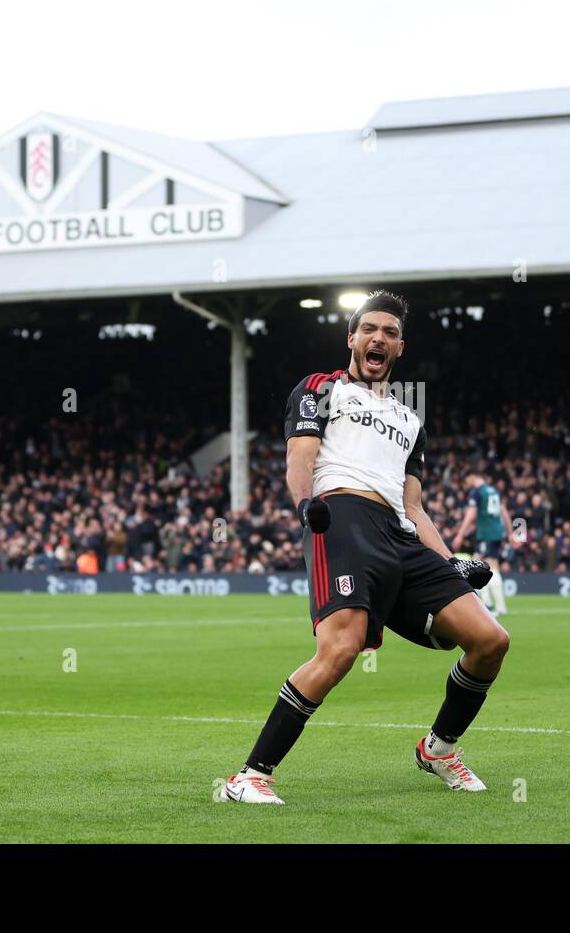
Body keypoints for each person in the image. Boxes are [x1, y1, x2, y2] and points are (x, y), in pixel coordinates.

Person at [223, 291, 509, 805]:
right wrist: (305, 504)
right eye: (369, 329)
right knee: (340, 649)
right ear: (351, 338)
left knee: (490, 640)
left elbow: (414, 507)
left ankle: (439, 748)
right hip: (342, 519)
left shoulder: (409, 420)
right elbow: (300, 456)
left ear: (400, 347)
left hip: (399, 535)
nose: (379, 338)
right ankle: (249, 776)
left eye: (390, 333)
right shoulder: (320, 388)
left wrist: (451, 562)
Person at [451, 472, 517, 615]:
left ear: (472, 476)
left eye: (466, 480)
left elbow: (471, 514)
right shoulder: (494, 491)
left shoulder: (477, 492)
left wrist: (460, 535)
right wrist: (510, 532)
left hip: (486, 534)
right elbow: (504, 513)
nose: (466, 483)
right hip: (496, 534)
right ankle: (490, 605)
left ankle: (495, 607)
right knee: (478, 563)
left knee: (489, 566)